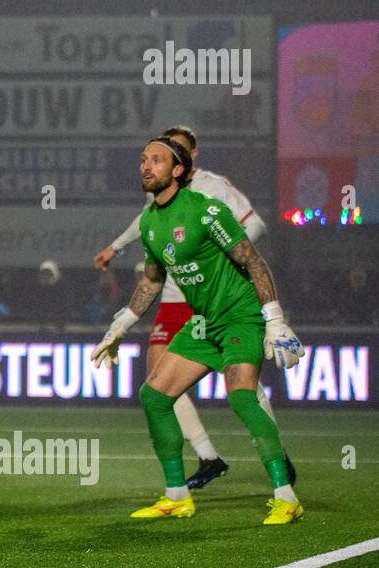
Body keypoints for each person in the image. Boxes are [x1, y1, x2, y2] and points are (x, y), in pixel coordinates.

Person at [92, 135, 305, 525]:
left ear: (177, 170)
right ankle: (177, 495)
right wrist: (120, 325)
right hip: (204, 324)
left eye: (155, 160)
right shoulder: (150, 221)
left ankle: (285, 496)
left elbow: (253, 262)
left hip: (240, 317)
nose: (145, 166)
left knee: (241, 398)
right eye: (143, 159)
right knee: (154, 396)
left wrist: (274, 319)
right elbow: (153, 281)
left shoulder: (206, 210)